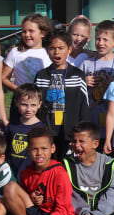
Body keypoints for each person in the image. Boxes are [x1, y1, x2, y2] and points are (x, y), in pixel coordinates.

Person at [15, 126, 77, 215]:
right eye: (34, 149)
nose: (39, 153)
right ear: (28, 149)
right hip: (39, 213)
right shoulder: (26, 173)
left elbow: (63, 212)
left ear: (53, 148)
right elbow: (24, 198)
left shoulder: (60, 174)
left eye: (44, 148)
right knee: (10, 188)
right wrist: (31, 196)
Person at [34, 29, 92, 157]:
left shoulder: (77, 75)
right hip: (47, 131)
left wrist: (82, 133)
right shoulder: (42, 76)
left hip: (70, 133)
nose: (56, 52)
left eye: (61, 48)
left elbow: (84, 106)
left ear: (69, 49)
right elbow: (35, 105)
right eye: (52, 48)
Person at [63, 123, 114, 215]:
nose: (76, 145)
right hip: (82, 214)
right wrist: (84, 213)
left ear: (95, 144)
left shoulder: (109, 165)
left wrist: (99, 214)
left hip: (105, 213)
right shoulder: (68, 165)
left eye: (81, 141)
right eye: (74, 141)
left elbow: (112, 193)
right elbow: (71, 194)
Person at [81, 20, 114, 132]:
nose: (100, 43)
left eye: (105, 39)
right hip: (90, 119)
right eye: (98, 39)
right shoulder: (86, 63)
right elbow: (75, 85)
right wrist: (84, 82)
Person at [2, 13, 53, 93]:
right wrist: (19, 90)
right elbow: (4, 78)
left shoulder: (50, 52)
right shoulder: (15, 52)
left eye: (31, 31)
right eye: (24, 31)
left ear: (42, 33)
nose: (27, 35)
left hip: (45, 97)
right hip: (22, 98)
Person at [4, 84, 44, 175]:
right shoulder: (11, 126)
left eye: (33, 105)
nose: (28, 109)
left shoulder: (41, 129)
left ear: (39, 104)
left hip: (31, 175)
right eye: (24, 105)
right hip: (10, 173)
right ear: (16, 103)